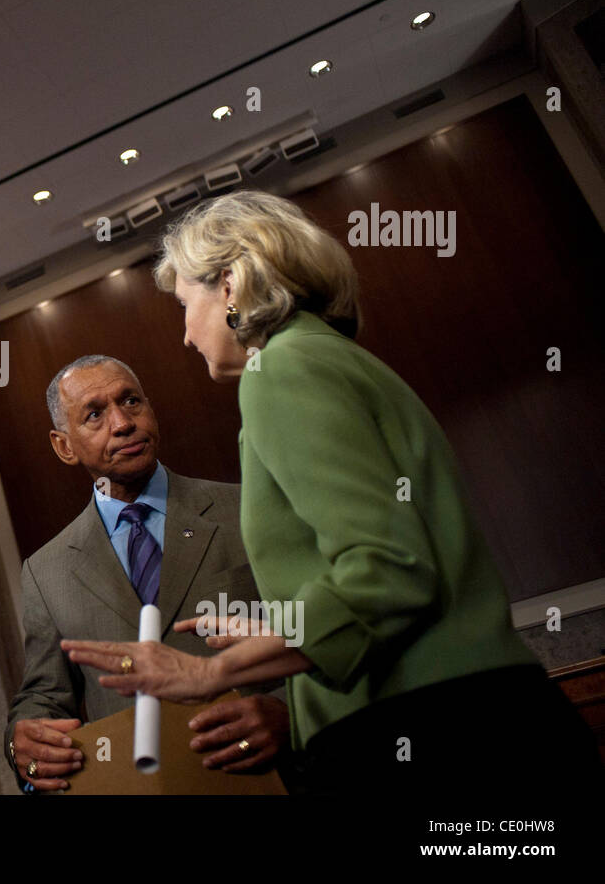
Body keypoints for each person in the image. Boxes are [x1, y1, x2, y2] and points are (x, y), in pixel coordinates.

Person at [63, 189, 601, 792]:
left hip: (439, 735)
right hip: (477, 722)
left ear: (232, 286)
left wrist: (206, 673)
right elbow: (392, 560)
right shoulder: (328, 357)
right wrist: (283, 630)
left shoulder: (282, 370)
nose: (186, 336)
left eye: (186, 304)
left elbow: (389, 573)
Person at [6, 354, 290, 792]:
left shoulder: (248, 509)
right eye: (94, 414)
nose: (122, 423)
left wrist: (290, 714)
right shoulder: (45, 572)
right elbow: (45, 695)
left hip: (269, 778)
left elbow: (324, 632)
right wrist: (21, 741)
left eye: (131, 401)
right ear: (64, 445)